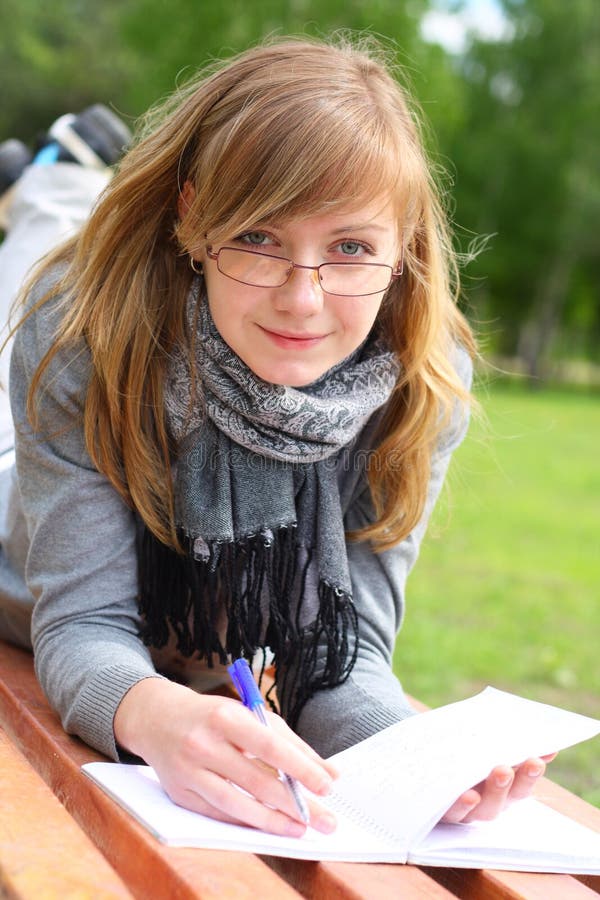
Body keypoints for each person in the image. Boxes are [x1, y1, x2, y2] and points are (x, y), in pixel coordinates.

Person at [0, 35, 553, 839]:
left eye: (351, 247)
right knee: (27, 288)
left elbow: (344, 648)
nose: (303, 299)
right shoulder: (81, 333)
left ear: (402, 251)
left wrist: (409, 755)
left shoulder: (418, 387)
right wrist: (156, 716)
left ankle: (59, 170)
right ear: (193, 217)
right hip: (21, 535)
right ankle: (58, 173)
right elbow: (82, 623)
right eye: (259, 237)